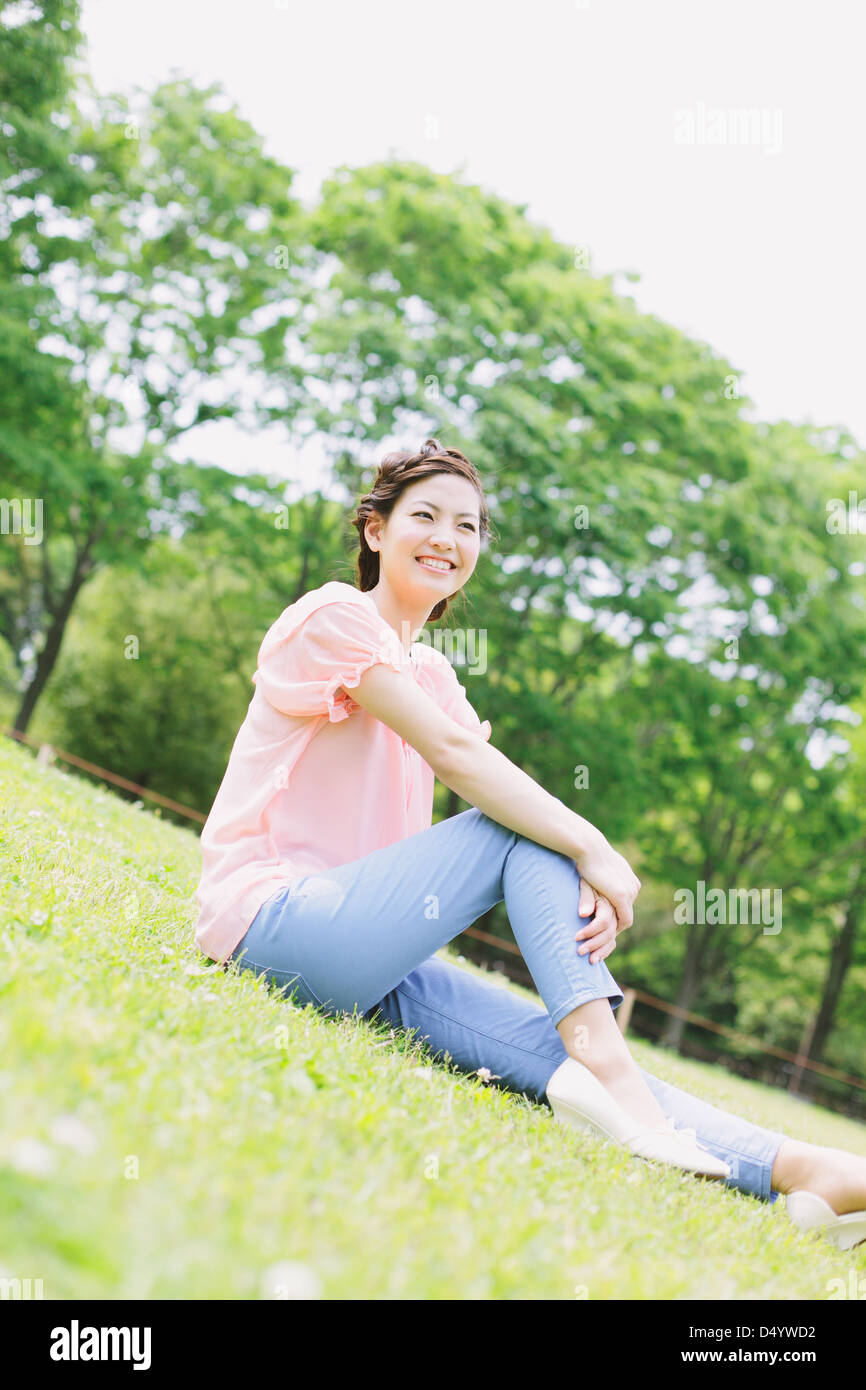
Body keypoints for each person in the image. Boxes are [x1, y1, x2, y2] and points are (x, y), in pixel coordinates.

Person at [193, 438, 866, 1250]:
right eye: (426, 517)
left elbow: (471, 768)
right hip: (273, 920)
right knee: (522, 833)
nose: (449, 537)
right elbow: (463, 764)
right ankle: (612, 1078)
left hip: (371, 965)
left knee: (556, 1041)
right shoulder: (332, 616)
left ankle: (807, 1172)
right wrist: (593, 848)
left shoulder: (432, 678)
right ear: (375, 531)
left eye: (469, 526)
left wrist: (569, 862)